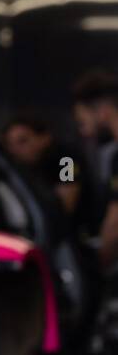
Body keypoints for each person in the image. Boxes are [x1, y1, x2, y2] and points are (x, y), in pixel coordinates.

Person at [72, 70, 118, 269]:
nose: (83, 130)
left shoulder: (65, 156)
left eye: (83, 122)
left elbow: (116, 222)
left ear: (103, 111)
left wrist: (97, 267)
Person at [4, 111, 84, 224]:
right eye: (10, 144)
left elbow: (66, 205)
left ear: (44, 138)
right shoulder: (18, 166)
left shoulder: (66, 159)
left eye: (23, 141)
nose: (15, 150)